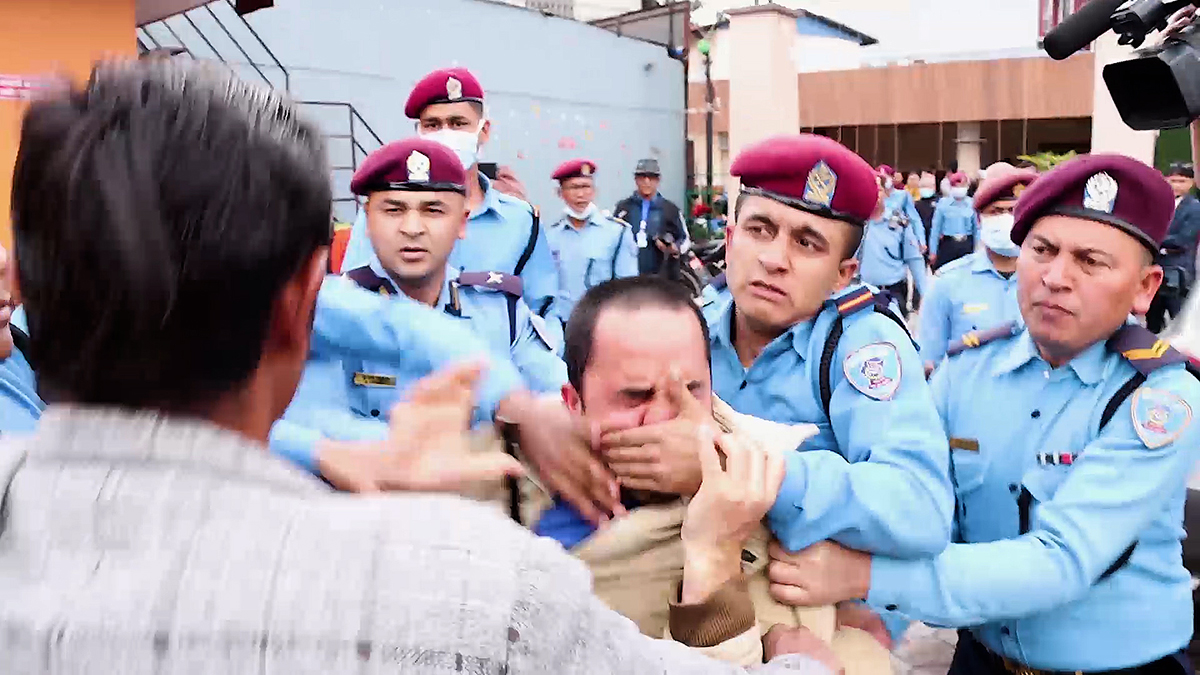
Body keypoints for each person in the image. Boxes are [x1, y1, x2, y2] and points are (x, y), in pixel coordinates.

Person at [0, 57, 842, 675]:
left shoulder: (505, 288)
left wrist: (513, 405)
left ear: (25, 283)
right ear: (305, 300)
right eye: (392, 208)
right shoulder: (475, 591)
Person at [766, 154, 1200, 675]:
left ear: (1144, 288)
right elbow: (928, 511)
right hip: (981, 659)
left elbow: (1060, 560)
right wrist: (880, 619)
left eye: (1091, 261)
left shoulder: (1159, 400)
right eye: (1042, 250)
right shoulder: (966, 369)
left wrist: (864, 577)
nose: (1055, 277)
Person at [535, 276, 895, 673]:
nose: (664, 419)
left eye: (691, 391)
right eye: (635, 397)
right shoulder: (514, 510)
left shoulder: (759, 462)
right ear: (573, 402)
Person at [705, 133, 952, 558]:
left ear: (844, 274)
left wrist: (753, 472)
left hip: (808, 608)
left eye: (806, 243)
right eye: (759, 230)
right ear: (729, 241)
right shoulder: (689, 326)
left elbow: (919, 509)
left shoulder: (860, 343)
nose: (774, 259)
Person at [340, 67, 558, 328]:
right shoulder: (383, 217)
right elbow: (352, 302)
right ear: (418, 131)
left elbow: (543, 311)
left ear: (483, 130)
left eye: (458, 123)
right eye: (433, 125)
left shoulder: (520, 221)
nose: (446, 134)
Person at [918, 163, 1036, 373]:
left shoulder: (1047, 280)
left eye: (1013, 211)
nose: (1007, 219)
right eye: (996, 211)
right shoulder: (947, 284)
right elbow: (929, 363)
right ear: (980, 219)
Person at [545, 158, 638, 333]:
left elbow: (628, 288)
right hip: (562, 326)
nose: (581, 195)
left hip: (602, 325)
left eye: (586, 187)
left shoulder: (616, 232)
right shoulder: (551, 236)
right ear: (560, 193)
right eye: (573, 187)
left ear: (594, 191)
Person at [858, 173, 927, 317]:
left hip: (893, 294)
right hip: (864, 293)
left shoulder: (898, 223)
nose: (875, 195)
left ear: (886, 193)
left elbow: (914, 259)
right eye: (870, 190)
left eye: (879, 190)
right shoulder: (857, 223)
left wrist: (926, 294)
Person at [614, 158, 689, 278]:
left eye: (651, 178)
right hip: (628, 278)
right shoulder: (624, 208)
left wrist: (674, 248)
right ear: (636, 180)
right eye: (642, 177)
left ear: (658, 180)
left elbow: (685, 239)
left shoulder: (670, 209)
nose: (646, 182)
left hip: (661, 276)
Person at [1148, 161, 1200, 332]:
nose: (1176, 185)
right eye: (1173, 180)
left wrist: (1155, 240)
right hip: (1156, 271)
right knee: (1152, 321)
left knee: (1179, 321)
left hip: (1179, 274)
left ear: (1192, 182)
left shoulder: (1195, 208)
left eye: (1182, 181)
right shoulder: (1160, 205)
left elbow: (1183, 240)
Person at [930, 171, 980, 270]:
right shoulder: (943, 204)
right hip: (949, 244)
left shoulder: (972, 203)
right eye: (957, 186)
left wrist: (978, 250)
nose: (959, 188)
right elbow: (935, 229)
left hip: (966, 244)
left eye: (962, 185)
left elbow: (977, 229)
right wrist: (933, 251)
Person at [914, 171, 938, 247]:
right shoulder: (916, 204)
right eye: (923, 186)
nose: (925, 189)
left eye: (928, 186)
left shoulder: (940, 202)